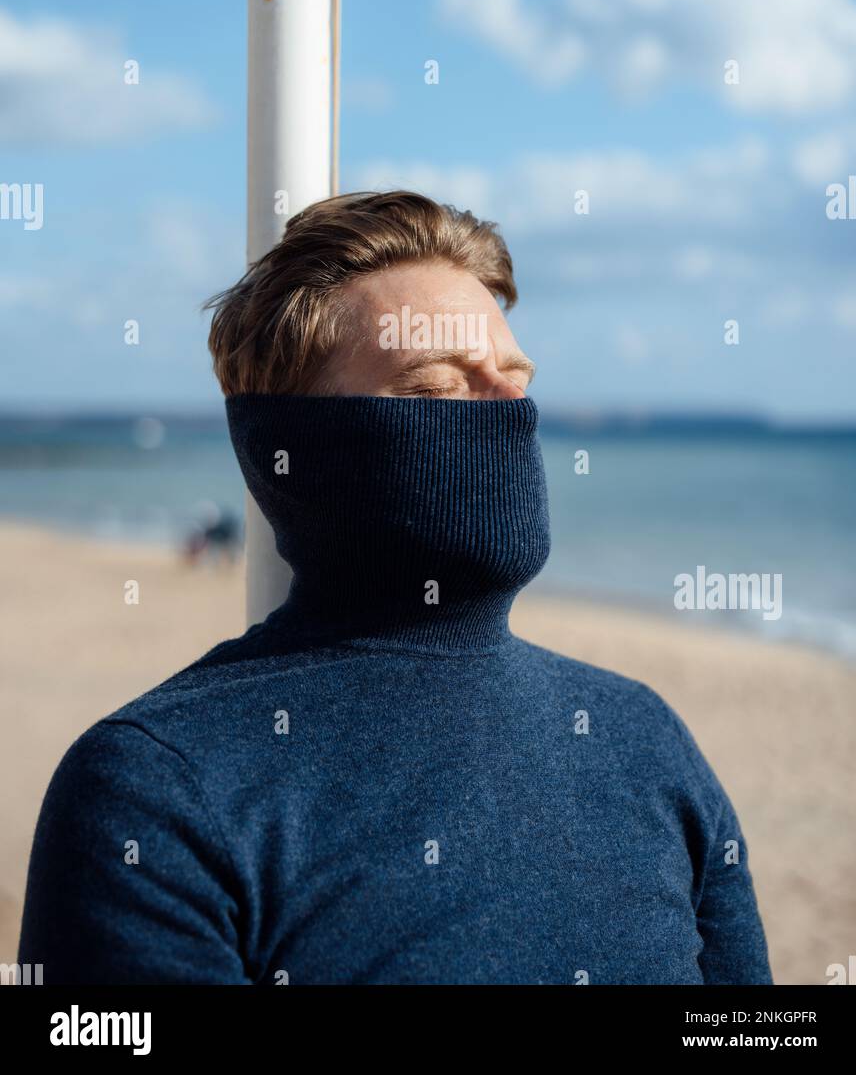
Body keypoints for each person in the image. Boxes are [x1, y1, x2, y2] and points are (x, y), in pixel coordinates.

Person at [17, 190, 773, 985]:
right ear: (294, 446)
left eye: (515, 380)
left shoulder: (641, 739)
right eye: (437, 390)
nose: (508, 418)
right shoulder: (153, 792)